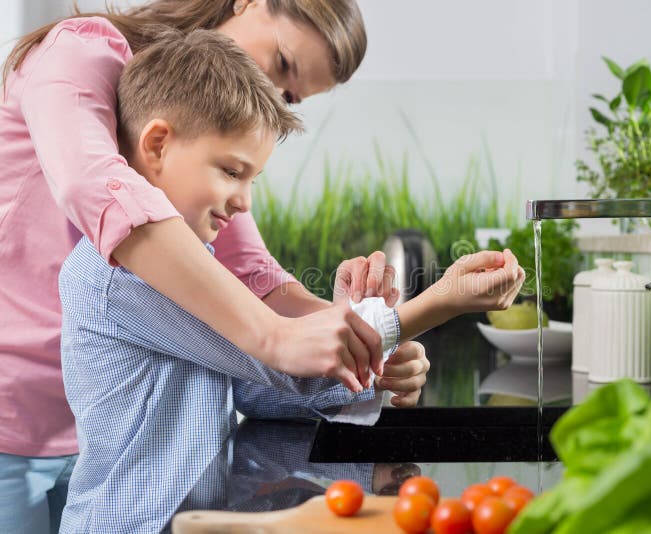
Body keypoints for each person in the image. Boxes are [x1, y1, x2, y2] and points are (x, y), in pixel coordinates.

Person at [58, 29, 523, 532]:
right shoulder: (120, 275)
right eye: (232, 171)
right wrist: (439, 304)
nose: (244, 202)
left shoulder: (198, 267)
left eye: (252, 179)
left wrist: (372, 360)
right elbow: (277, 366)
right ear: (157, 145)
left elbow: (257, 390)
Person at [0, 2, 427, 531]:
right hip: (10, 410)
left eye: (288, 95)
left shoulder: (198, 150)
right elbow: (96, 185)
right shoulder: (82, 53)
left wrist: (359, 336)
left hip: (103, 431)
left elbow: (251, 277)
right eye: (283, 62)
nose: (271, 90)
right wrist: (277, 338)